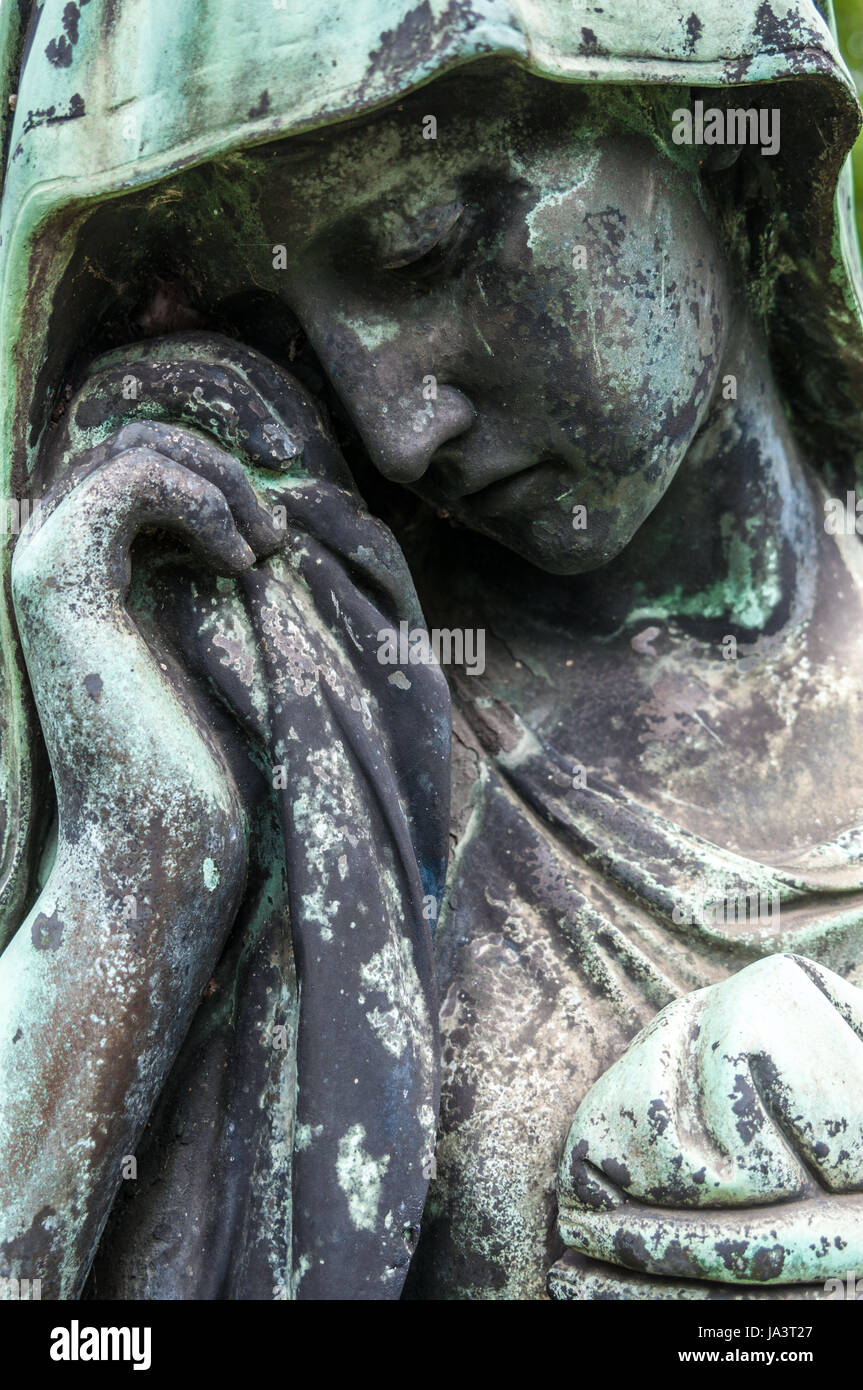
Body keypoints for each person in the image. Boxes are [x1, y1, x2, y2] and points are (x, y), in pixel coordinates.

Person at [1, 0, 863, 1301]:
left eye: (422, 250)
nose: (394, 426)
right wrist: (143, 855)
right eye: (283, 332)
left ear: (714, 128)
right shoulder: (304, 715)